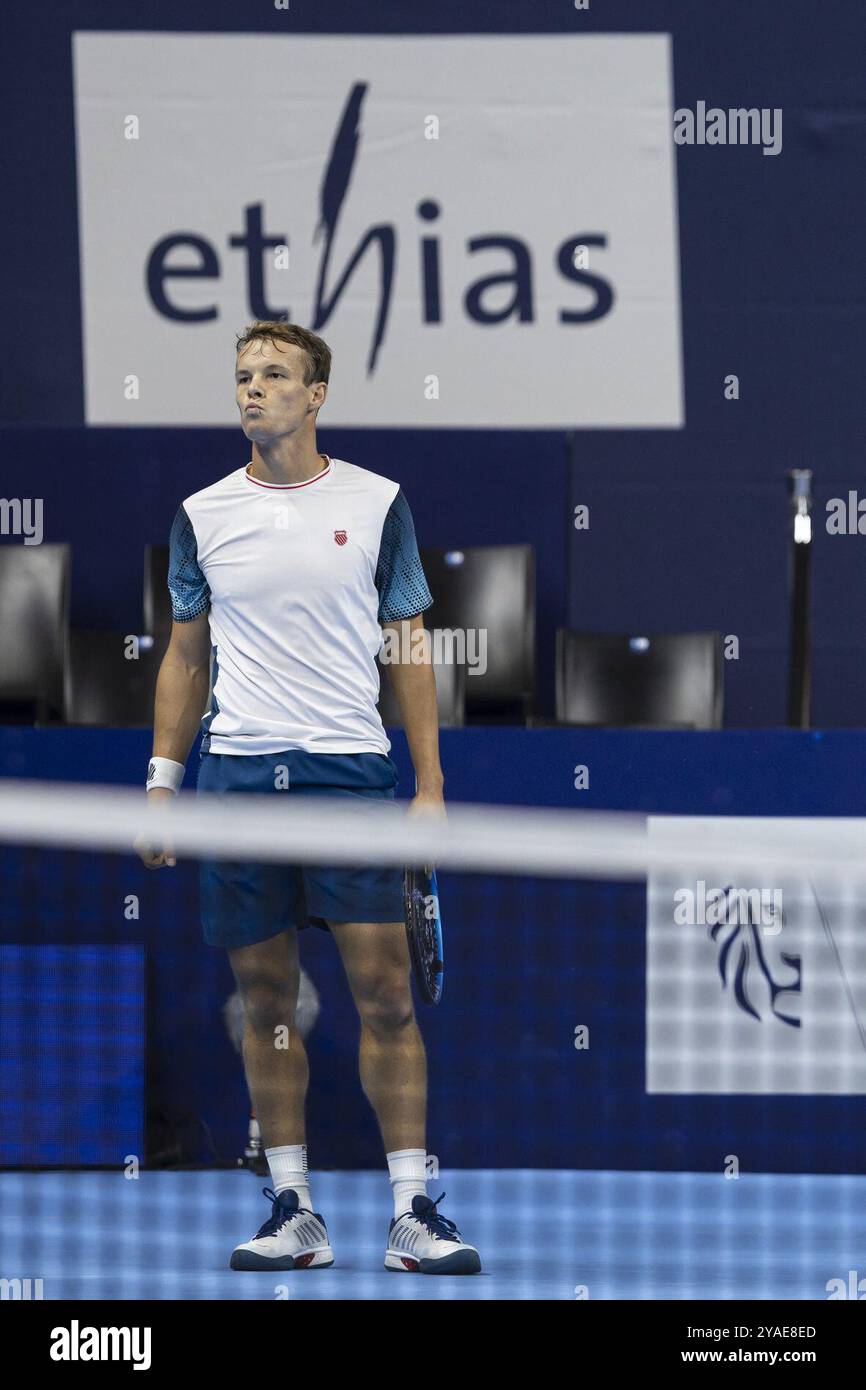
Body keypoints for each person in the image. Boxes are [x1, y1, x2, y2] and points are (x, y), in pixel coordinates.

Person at [138, 320, 480, 1275]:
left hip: (351, 779)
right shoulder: (201, 513)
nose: (253, 389)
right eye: (243, 375)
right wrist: (163, 786)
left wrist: (430, 785)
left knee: (385, 994)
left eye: (274, 375)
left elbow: (409, 645)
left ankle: (414, 1211)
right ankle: (293, 1208)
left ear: (316, 393)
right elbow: (186, 655)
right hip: (242, 780)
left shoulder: (377, 504)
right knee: (265, 1001)